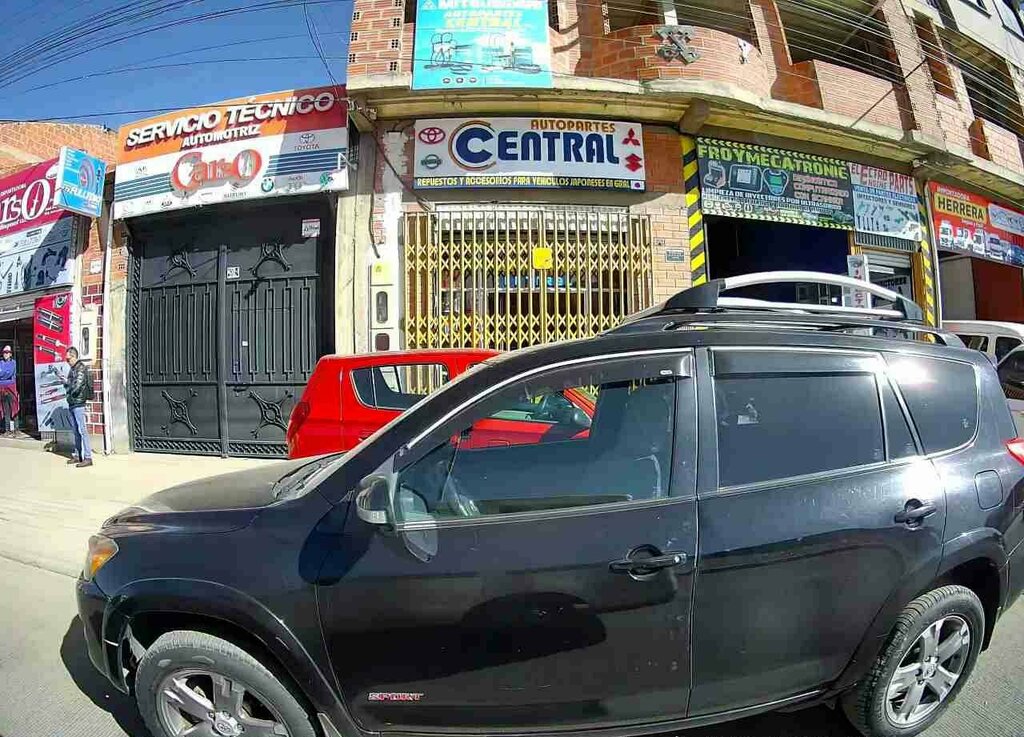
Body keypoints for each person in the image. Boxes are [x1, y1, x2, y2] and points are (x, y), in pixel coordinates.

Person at [65, 346, 94, 468]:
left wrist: (67, 385)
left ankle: (88, 457)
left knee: (82, 430)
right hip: (72, 402)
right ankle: (77, 455)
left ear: (74, 356)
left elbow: (76, 386)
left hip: (78, 402)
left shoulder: (80, 368)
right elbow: (71, 385)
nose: (67, 361)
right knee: (75, 430)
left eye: (68, 359)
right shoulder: (73, 369)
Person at [0, 345, 18, 437]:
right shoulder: (0, 363)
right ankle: (7, 430)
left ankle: (16, 429)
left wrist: (3, 375)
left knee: (14, 408)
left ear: (10, 354)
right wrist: (4, 374)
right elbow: (5, 374)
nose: (5, 354)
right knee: (5, 409)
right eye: (4, 353)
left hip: (11, 387)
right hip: (2, 389)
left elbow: (9, 372)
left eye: (7, 353)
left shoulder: (13, 363)